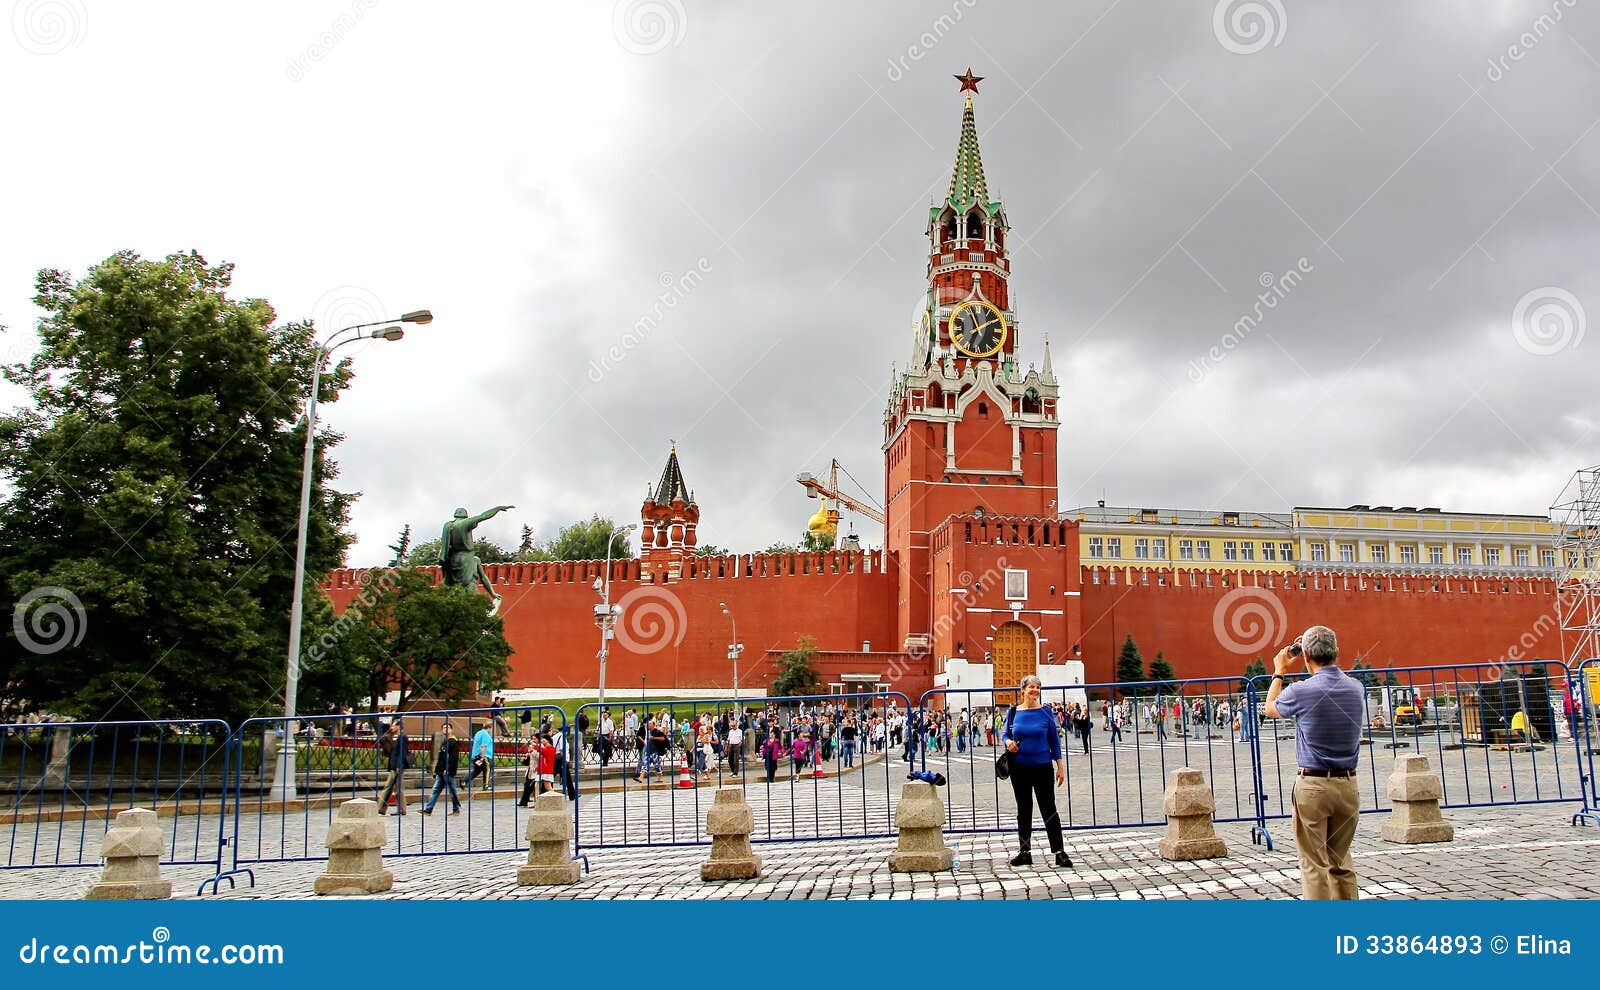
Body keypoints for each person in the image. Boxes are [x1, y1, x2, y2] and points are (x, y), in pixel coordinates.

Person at [1264, 625, 1364, 900]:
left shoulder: (1301, 691)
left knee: (1314, 866)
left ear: (1306, 656)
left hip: (1313, 786)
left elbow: (1270, 707)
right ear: (1337, 652)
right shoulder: (1356, 689)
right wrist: (1311, 646)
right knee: (1341, 862)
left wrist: (1280, 670)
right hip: (1347, 786)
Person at [1001, 675, 1071, 868]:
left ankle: (1059, 851)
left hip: (1042, 767)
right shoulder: (1013, 712)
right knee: (1024, 809)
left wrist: (1060, 767)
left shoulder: (1046, 712)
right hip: (1019, 768)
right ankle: (1025, 852)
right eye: (1031, 687)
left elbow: (1054, 742)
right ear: (1022, 690)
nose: (1035, 690)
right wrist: (1008, 742)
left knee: (1049, 808)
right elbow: (1005, 733)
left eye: (1038, 687)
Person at [422, 722, 462, 815]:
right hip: (441, 771)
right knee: (436, 790)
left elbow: (453, 758)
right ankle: (428, 809)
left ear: (452, 730)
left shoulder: (453, 742)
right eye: (444, 728)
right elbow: (441, 758)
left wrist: (448, 769)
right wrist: (437, 770)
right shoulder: (445, 741)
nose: (446, 729)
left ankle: (456, 809)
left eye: (448, 728)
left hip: (448, 771)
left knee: (452, 791)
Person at [377, 722, 409, 815]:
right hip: (394, 766)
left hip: (396, 767)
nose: (391, 727)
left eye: (393, 725)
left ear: (399, 726)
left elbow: (402, 753)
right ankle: (383, 809)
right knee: (393, 788)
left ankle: (381, 808)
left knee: (393, 787)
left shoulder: (402, 737)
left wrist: (399, 765)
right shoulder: (398, 737)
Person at [465, 721, 494, 791]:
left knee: (476, 771)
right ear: (490, 728)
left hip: (475, 755)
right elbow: (483, 746)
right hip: (484, 756)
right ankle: (486, 786)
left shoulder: (478, 733)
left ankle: (464, 781)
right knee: (487, 770)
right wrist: (482, 757)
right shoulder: (485, 734)